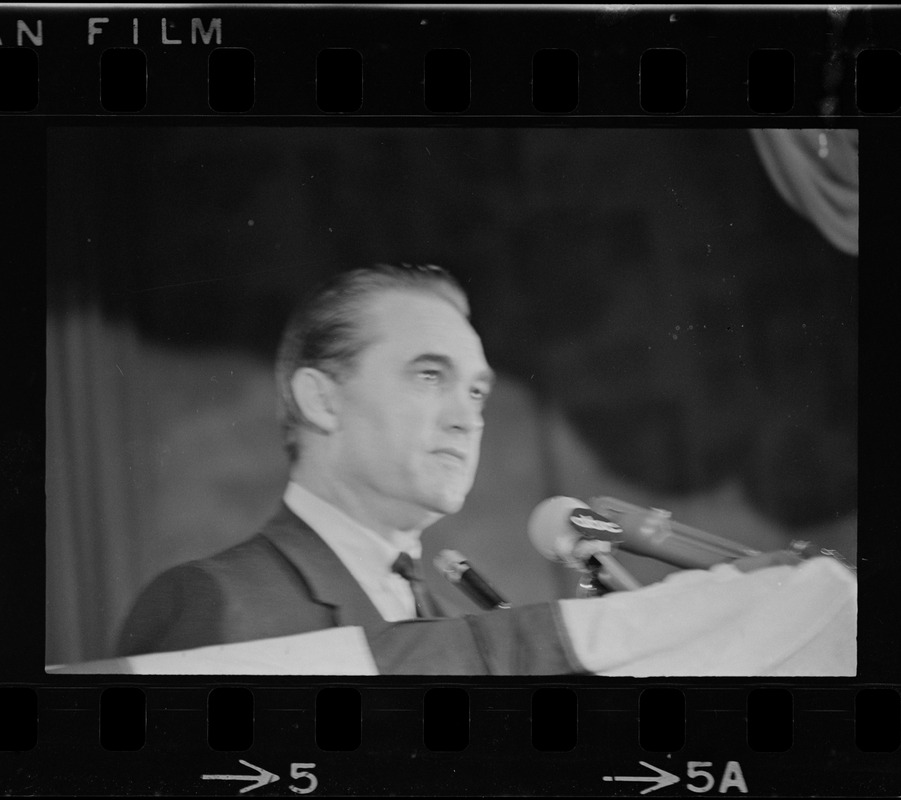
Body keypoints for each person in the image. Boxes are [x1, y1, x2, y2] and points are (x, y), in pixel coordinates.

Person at [116, 263, 497, 657]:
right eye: (430, 375)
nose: (468, 421)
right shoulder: (216, 604)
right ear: (322, 401)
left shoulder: (467, 631)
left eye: (476, 393)